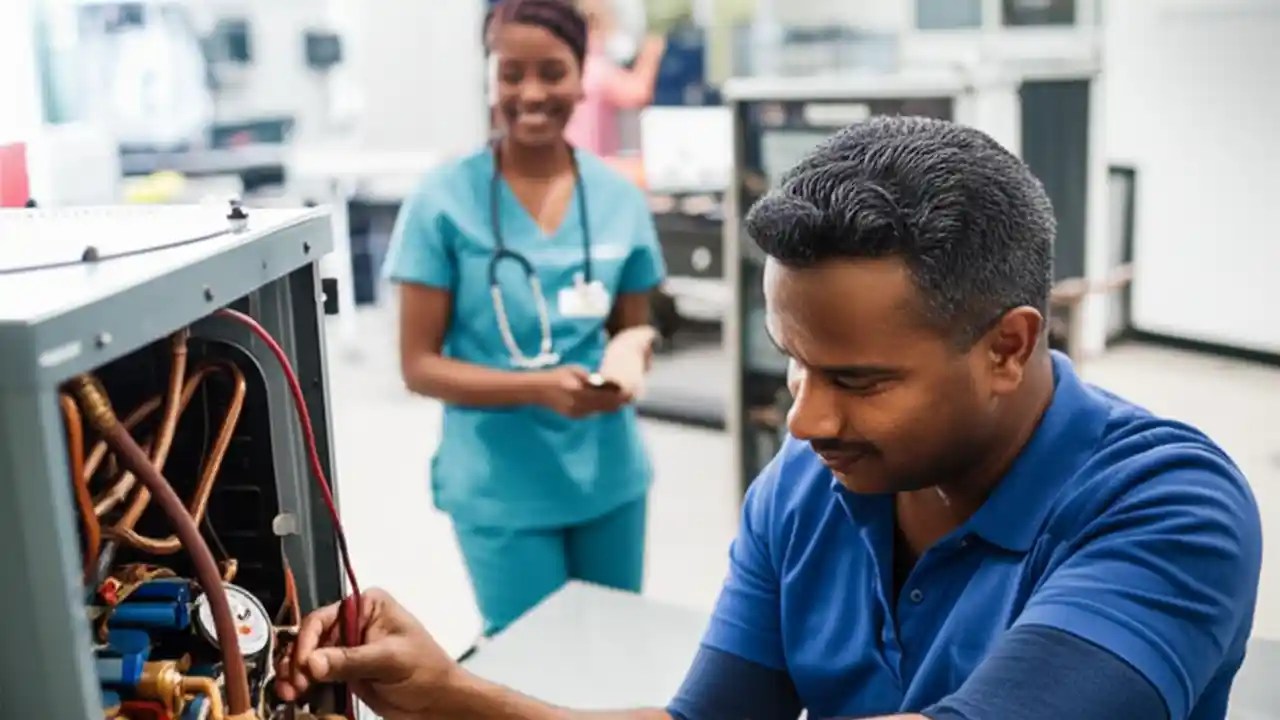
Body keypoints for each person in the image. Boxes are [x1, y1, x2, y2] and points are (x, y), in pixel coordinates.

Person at [289, 117, 1262, 719]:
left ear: (1007, 346)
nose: (803, 421)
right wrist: (448, 698)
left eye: (859, 380)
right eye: (794, 366)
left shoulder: (1168, 507)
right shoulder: (806, 491)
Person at [382, 0, 666, 636]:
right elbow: (418, 366)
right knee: (531, 668)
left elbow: (634, 328)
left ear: (581, 72)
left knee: (615, 649)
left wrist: (625, 365)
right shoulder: (443, 200)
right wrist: (537, 388)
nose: (531, 93)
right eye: (510, 73)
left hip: (609, 477)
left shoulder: (619, 197)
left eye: (552, 71)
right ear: (490, 75)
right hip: (500, 486)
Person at [564, 0, 666, 161]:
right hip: (589, 164)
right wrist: (652, 50)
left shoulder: (574, 64)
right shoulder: (593, 67)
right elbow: (637, 93)